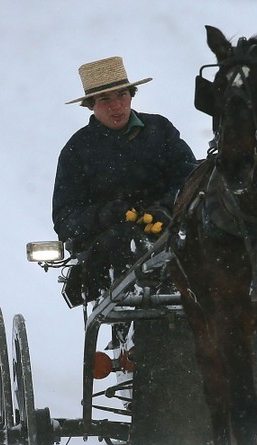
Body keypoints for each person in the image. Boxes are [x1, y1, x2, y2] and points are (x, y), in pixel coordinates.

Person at [52, 56, 197, 304]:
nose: (116, 106)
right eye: (105, 99)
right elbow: (65, 218)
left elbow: (189, 178)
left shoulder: (160, 129)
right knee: (125, 242)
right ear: (90, 105)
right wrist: (105, 215)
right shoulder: (76, 150)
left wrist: (166, 207)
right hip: (109, 248)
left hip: (171, 230)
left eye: (122, 95)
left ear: (132, 94)